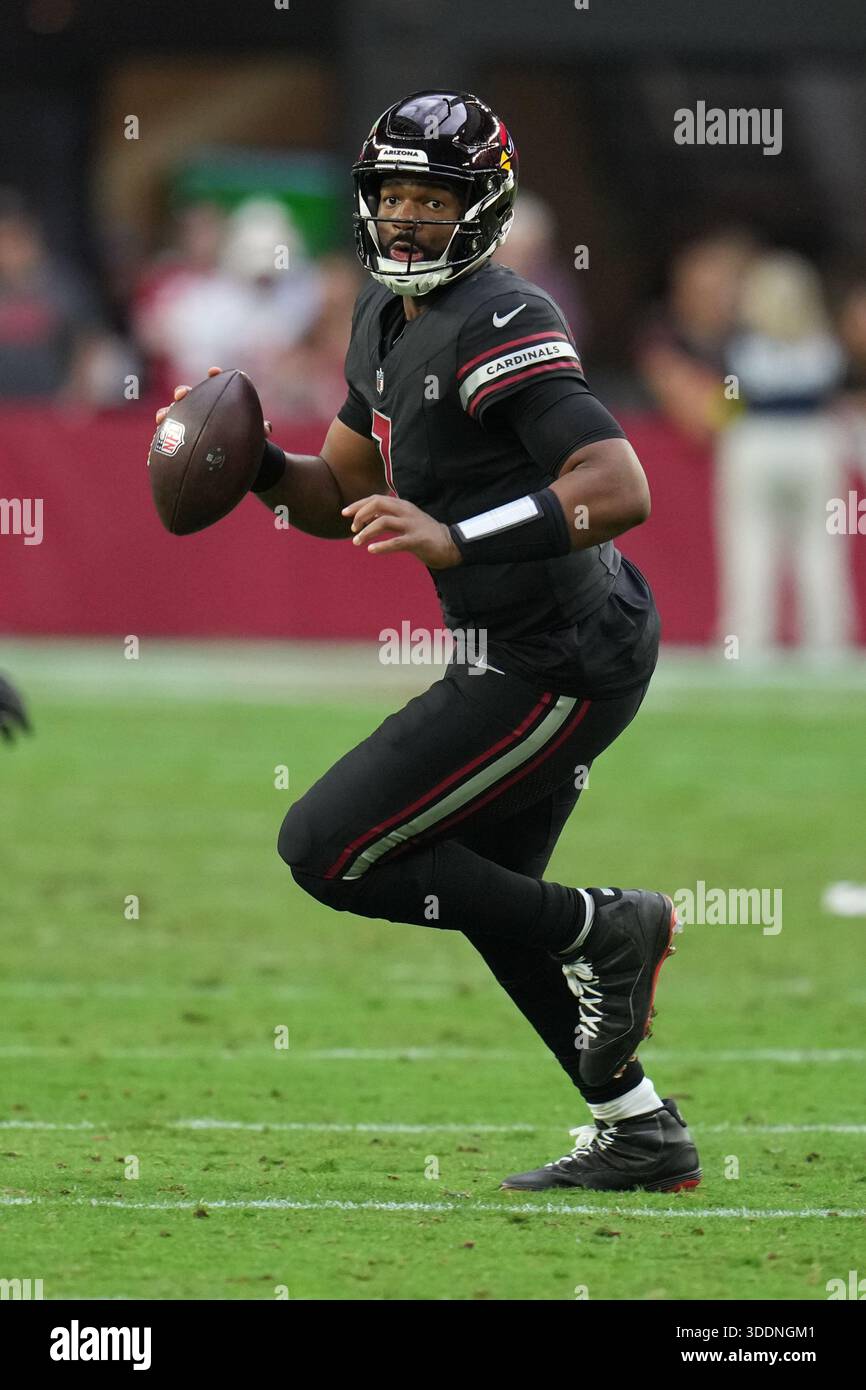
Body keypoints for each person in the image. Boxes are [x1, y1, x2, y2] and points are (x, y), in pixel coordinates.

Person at [156, 90, 701, 1194]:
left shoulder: (503, 317)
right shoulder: (381, 316)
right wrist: (255, 463)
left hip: (559, 654)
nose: (406, 220)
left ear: (480, 206)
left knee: (328, 845)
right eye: (392, 196)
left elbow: (615, 484)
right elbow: (343, 493)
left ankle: (608, 926)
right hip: (522, 646)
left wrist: (453, 535)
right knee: (484, 894)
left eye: (432, 197)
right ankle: (638, 1129)